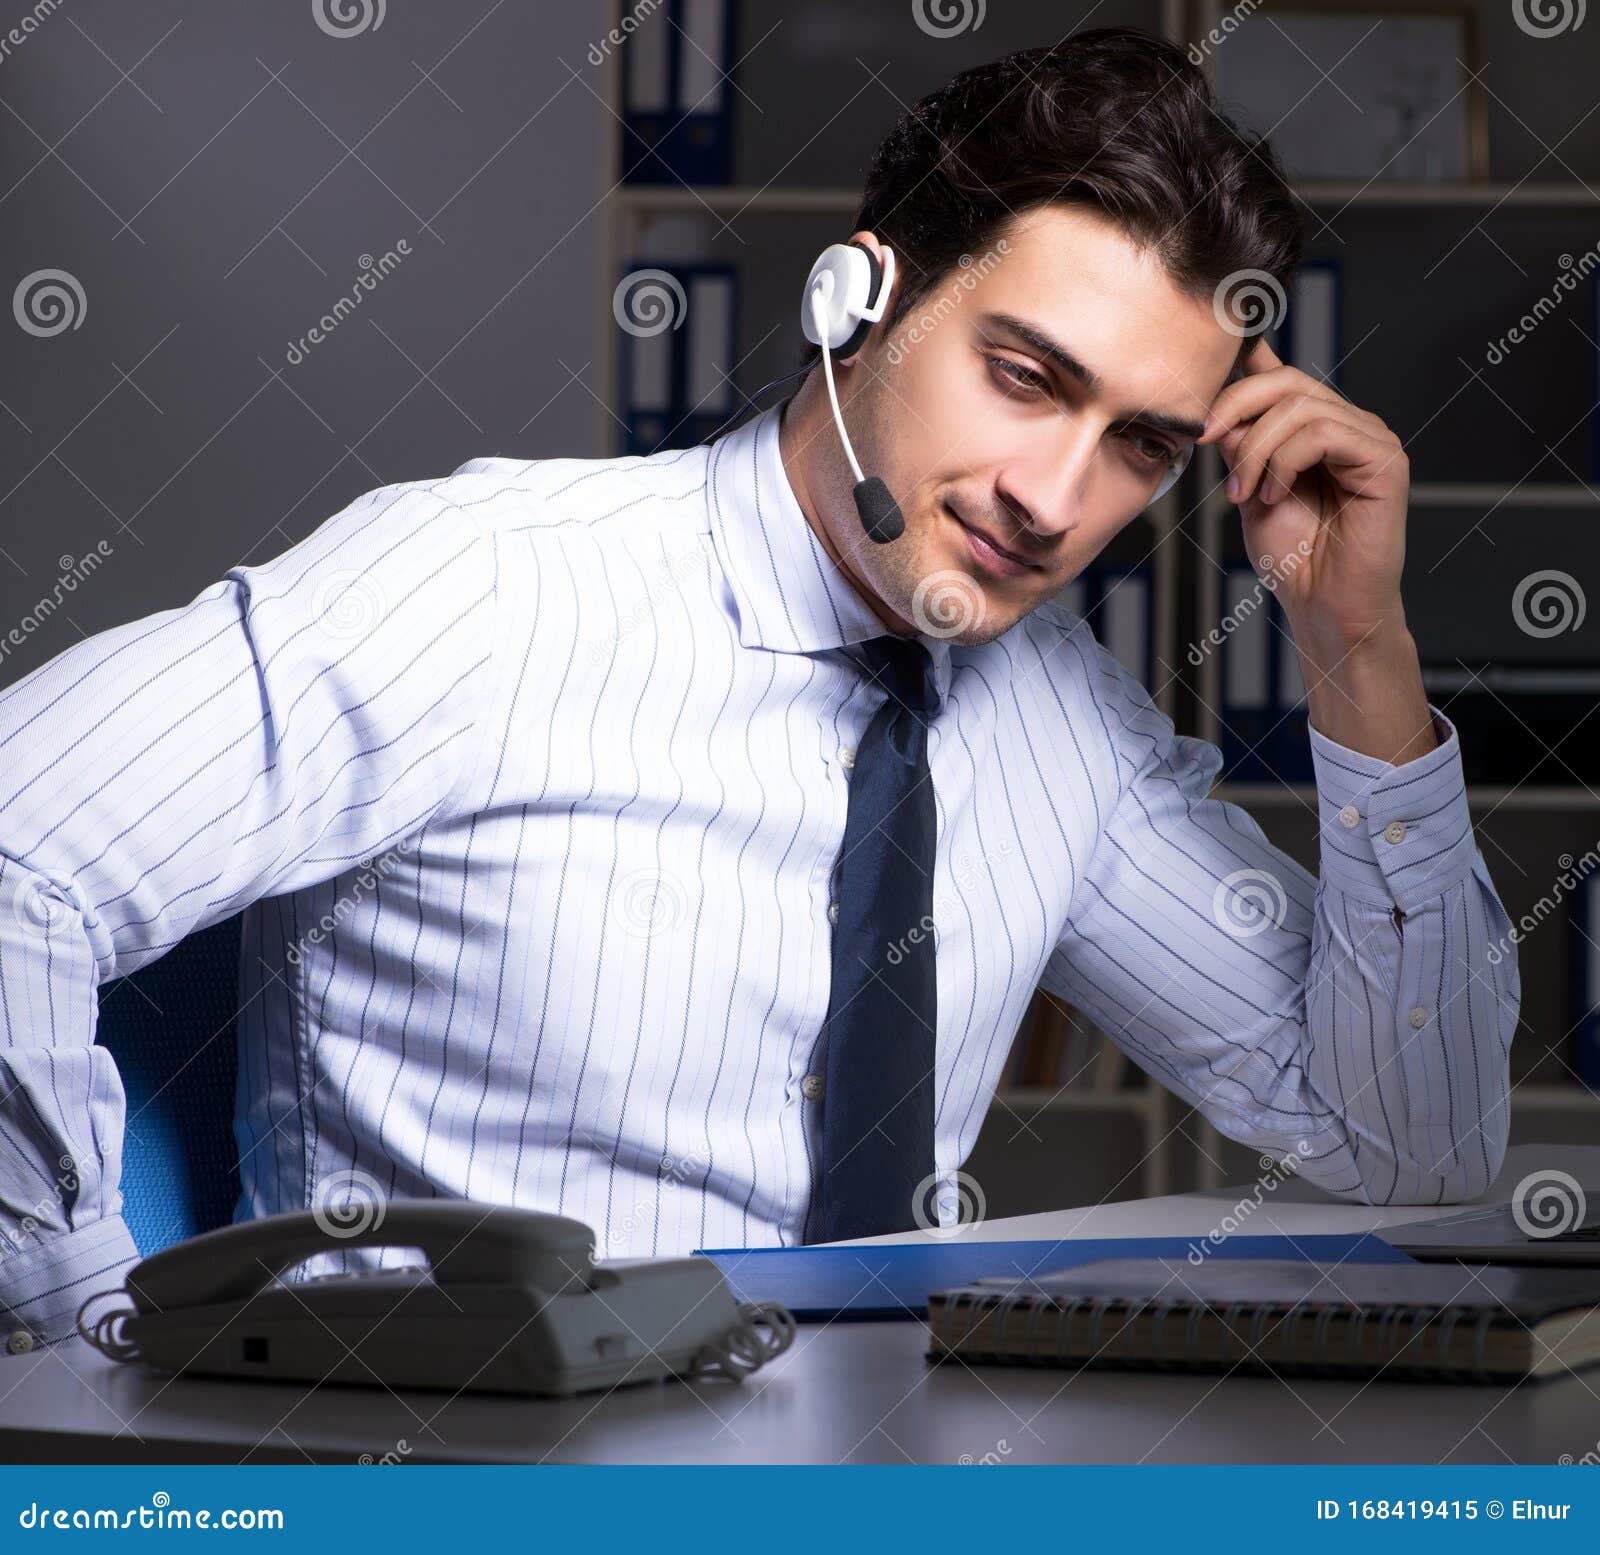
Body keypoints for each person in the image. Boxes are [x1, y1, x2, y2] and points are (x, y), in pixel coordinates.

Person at [0, 28, 1516, 1349]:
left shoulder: (1068, 727)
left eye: (1141, 446)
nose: (1056, 499)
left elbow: (1407, 1149)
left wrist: (1356, 649)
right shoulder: (481, 584)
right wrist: (92, 1337)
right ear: (857, 294)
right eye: (1026, 377)